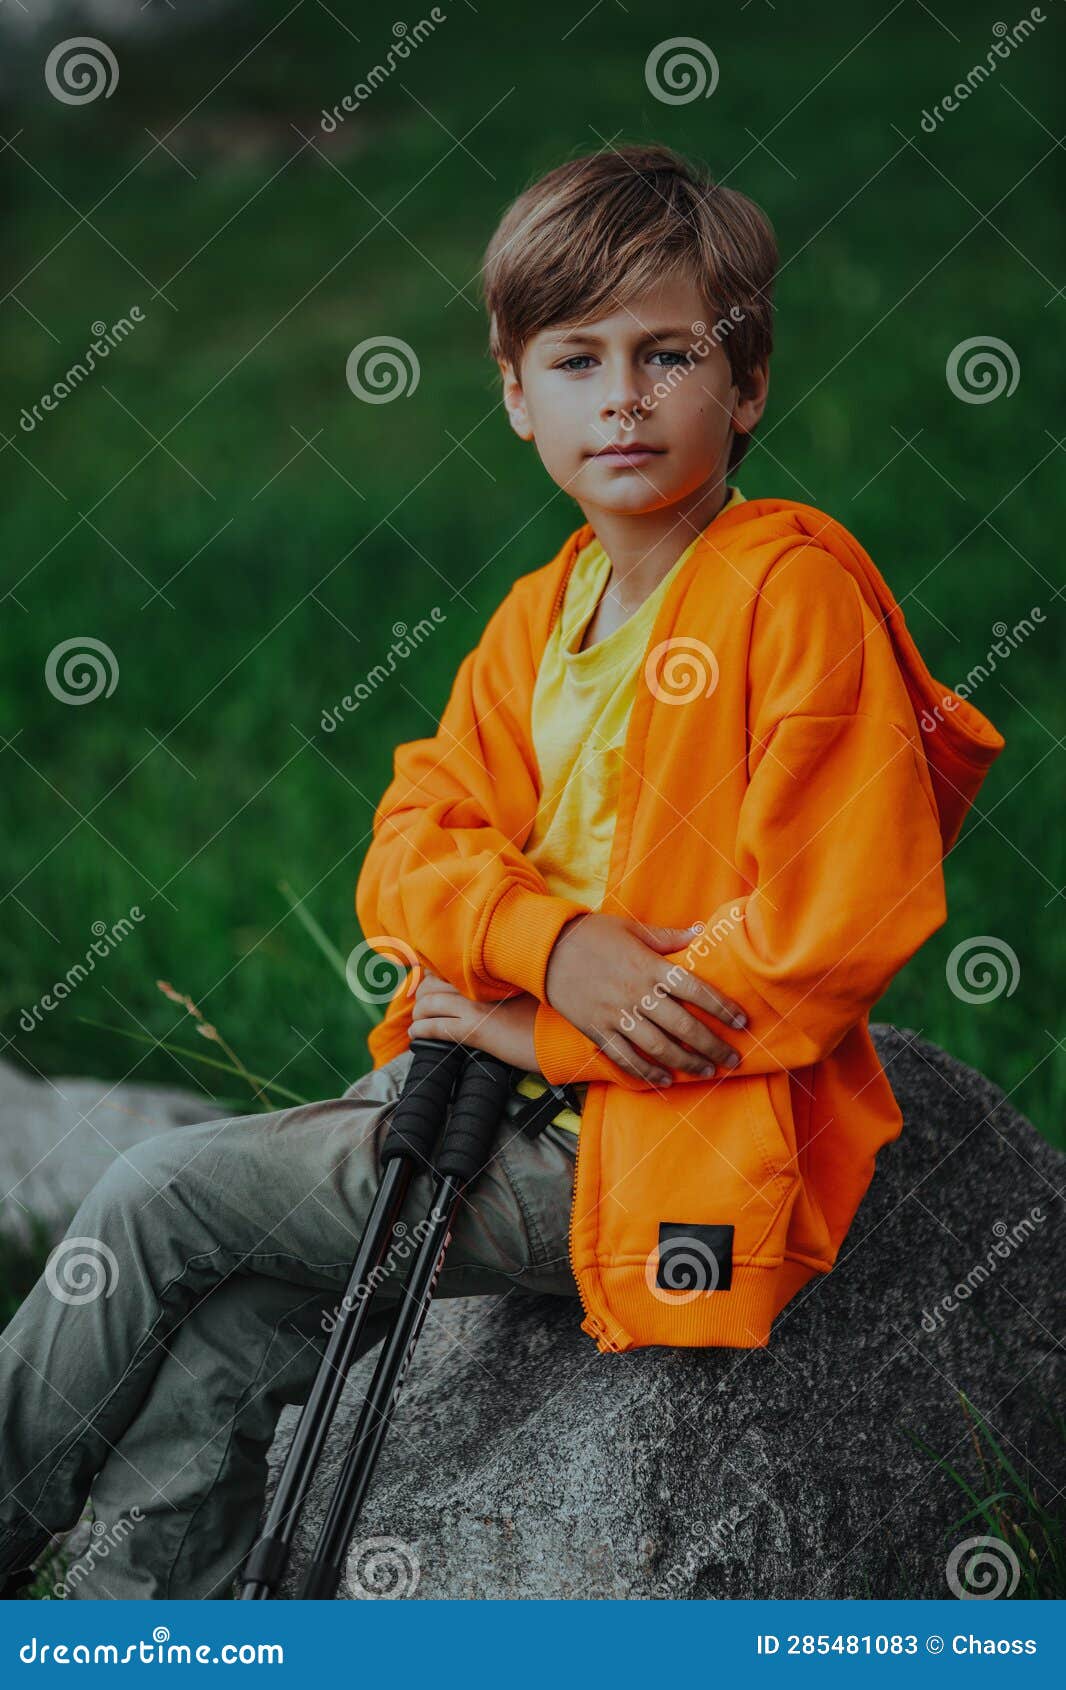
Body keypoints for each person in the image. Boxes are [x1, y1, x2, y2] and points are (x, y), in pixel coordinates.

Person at [0, 142, 1005, 1600]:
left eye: (670, 353)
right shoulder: (543, 618)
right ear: (514, 392)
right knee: (229, 1334)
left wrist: (534, 1021)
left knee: (160, 1192)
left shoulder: (792, 594)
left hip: (662, 1154)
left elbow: (816, 931)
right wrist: (552, 936)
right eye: (577, 358)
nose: (625, 396)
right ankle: (161, 1627)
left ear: (749, 386)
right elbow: (412, 838)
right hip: (498, 1100)